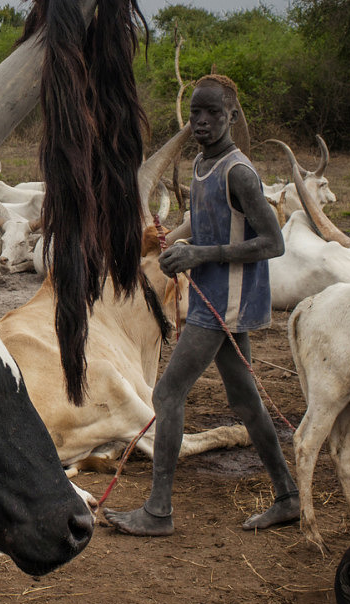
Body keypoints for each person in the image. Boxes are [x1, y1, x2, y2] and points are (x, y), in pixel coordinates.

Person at [107, 74, 299, 536]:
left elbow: (273, 243)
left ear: (231, 115)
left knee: (167, 393)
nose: (203, 122)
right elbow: (206, 218)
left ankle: (158, 511)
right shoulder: (201, 165)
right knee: (245, 401)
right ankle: (288, 496)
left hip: (225, 303)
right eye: (195, 114)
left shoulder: (240, 172)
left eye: (213, 113)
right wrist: (173, 242)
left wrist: (201, 255)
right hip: (212, 299)